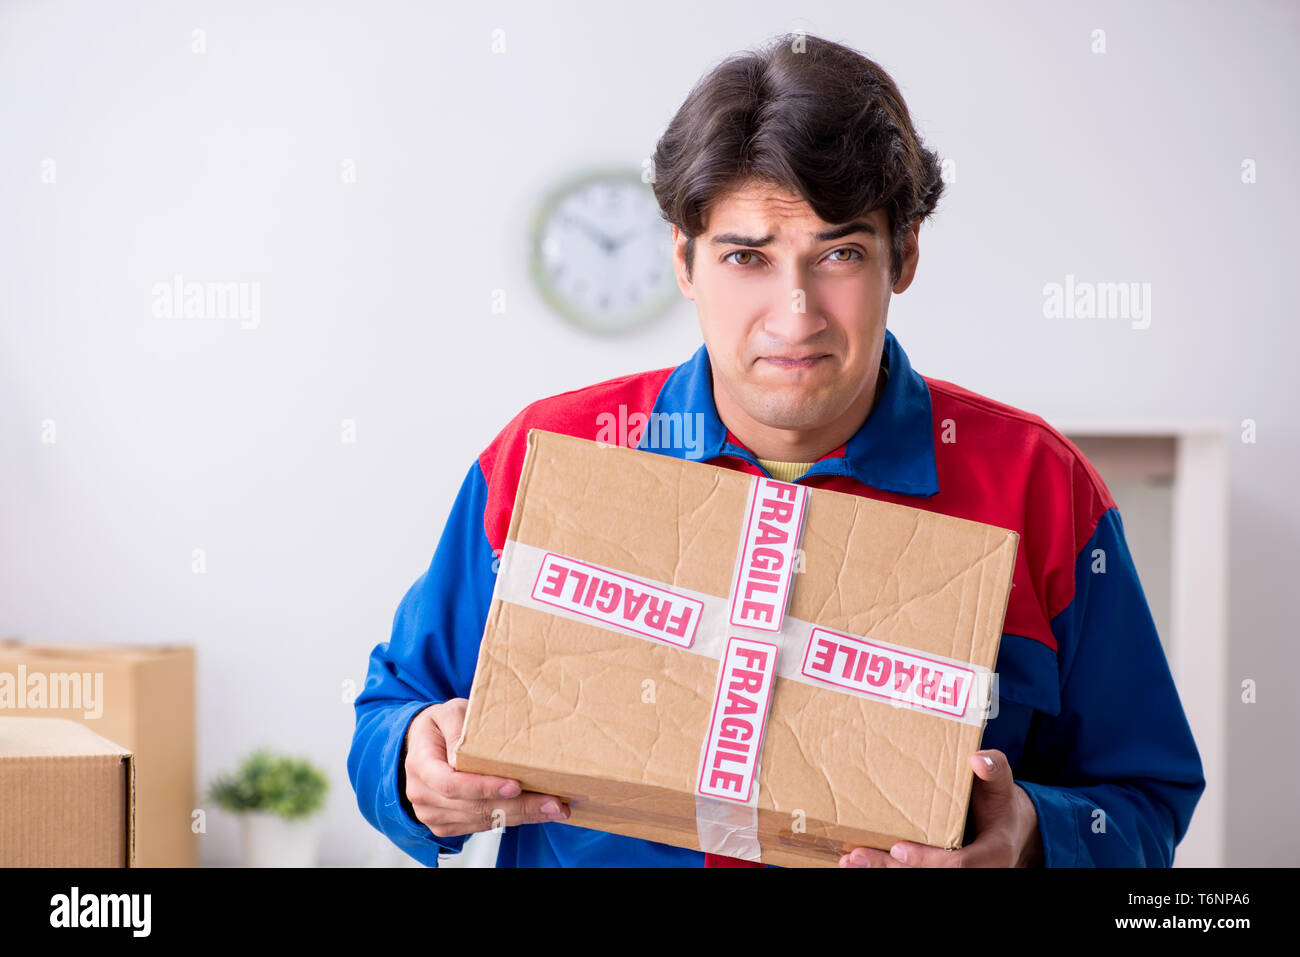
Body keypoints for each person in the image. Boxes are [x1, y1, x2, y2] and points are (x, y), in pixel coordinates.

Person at [347, 32, 1205, 868]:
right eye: (746, 256)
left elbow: (1147, 798)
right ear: (683, 262)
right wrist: (411, 762)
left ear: (903, 256)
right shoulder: (546, 457)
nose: (795, 314)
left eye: (838, 252)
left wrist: (1031, 836)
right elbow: (392, 710)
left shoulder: (1041, 490)